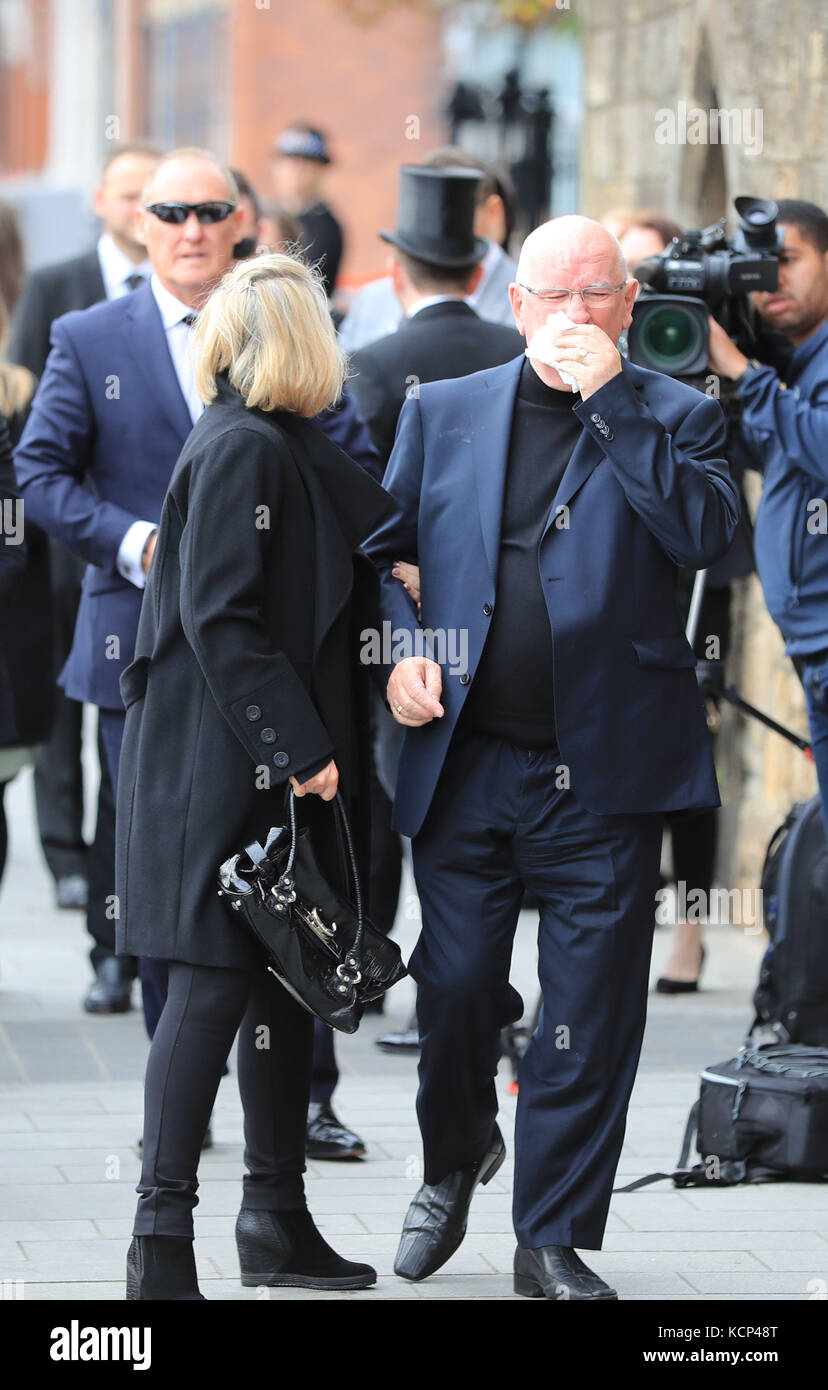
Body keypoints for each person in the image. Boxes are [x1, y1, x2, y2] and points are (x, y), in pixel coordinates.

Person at [364, 215, 739, 1300]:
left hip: (610, 767)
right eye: (554, 296)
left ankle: (550, 1238)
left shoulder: (678, 416)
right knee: (459, 987)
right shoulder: (445, 411)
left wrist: (617, 403)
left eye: (597, 295)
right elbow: (386, 556)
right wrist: (400, 650)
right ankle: (452, 1155)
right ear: (513, 302)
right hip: (468, 755)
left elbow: (710, 541)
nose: (575, 316)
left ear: (629, 305)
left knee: (590, 1008)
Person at [15, 145, 378, 1155]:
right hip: (148, 653)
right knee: (183, 896)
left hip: (274, 664)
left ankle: (304, 1101)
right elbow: (39, 471)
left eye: (208, 208)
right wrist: (138, 546)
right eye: (167, 209)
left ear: (238, 217)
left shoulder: (283, 325)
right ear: (141, 223)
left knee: (290, 876)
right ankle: (182, 1108)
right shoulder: (90, 335)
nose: (187, 226)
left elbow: (348, 464)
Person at [118, 252, 389, 1300]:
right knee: (211, 989)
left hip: (260, 768)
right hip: (217, 770)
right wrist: (304, 751)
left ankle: (276, 1219)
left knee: (284, 984)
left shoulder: (278, 440)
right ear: (304, 342)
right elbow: (221, 618)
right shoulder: (241, 449)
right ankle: (158, 1250)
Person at [10, 142, 161, 1013]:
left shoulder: (216, 295)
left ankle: (128, 931)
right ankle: (71, 867)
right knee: (71, 722)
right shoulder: (63, 289)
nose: (154, 213)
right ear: (108, 202)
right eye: (139, 196)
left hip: (164, 568)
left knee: (131, 764)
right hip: (76, 553)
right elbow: (28, 411)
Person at [618, 212, 751, 993]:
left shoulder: (698, 335)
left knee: (690, 736)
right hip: (612, 557)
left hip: (698, 564)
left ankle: (692, 930)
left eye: (646, 278)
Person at [708, 198, 828, 836]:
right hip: (813, 643)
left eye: (787, 260)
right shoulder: (800, 366)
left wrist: (741, 372)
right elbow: (779, 452)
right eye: (758, 269)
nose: (771, 282)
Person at [349, 164, 523, 468]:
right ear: (475, 277)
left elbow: (361, 474)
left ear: (396, 276)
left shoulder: (372, 364)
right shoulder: (518, 350)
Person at [339, 147, 518, 353]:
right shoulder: (372, 301)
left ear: (493, 212)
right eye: (423, 208)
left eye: (454, 209)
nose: (436, 226)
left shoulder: (533, 299)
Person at [269, 124, 343, 298]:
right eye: (290, 161)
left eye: (306, 163)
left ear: (321, 170)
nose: (297, 170)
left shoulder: (325, 227)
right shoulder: (267, 216)